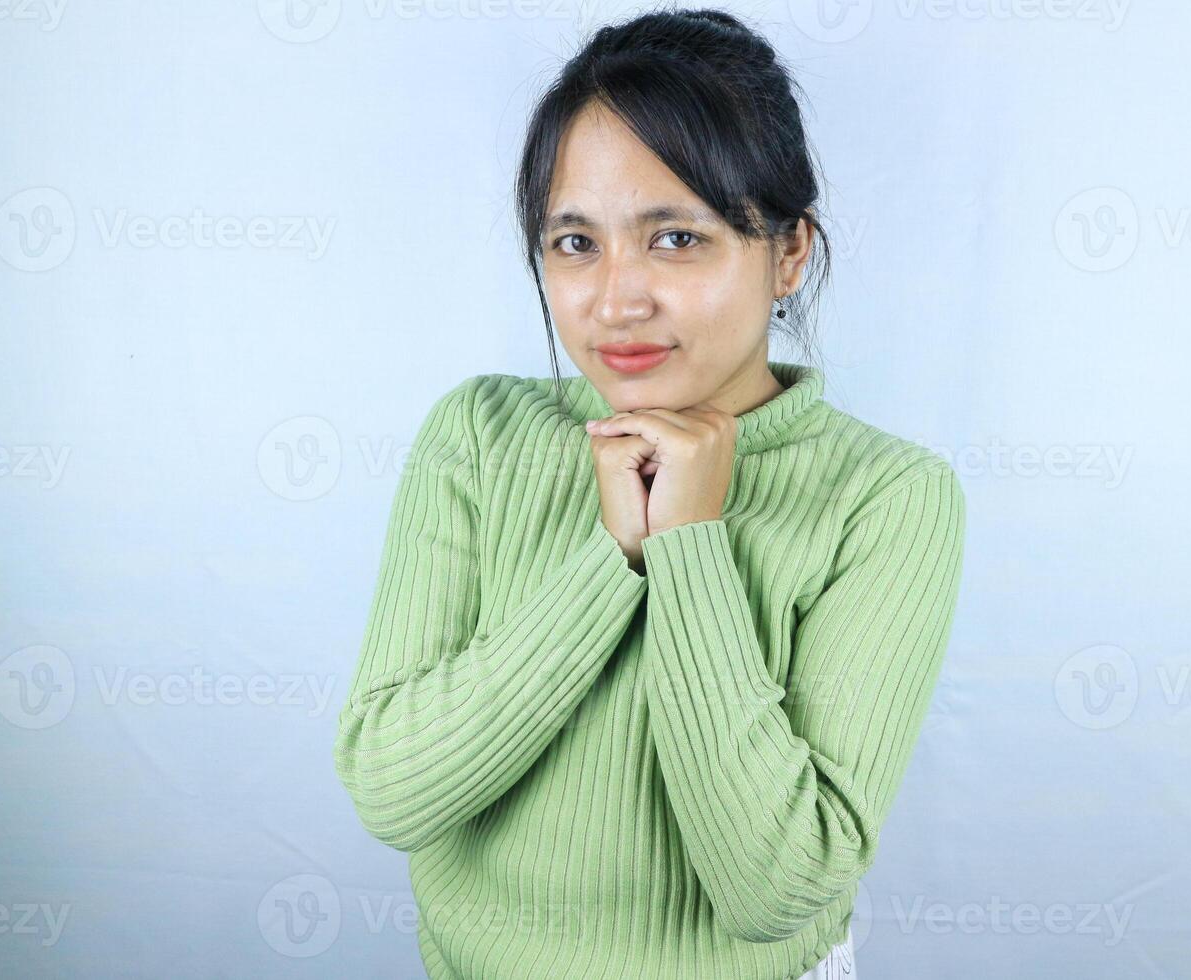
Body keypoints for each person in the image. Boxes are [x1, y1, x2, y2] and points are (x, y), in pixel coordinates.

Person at [333, 9, 965, 978]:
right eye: (574, 242)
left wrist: (689, 545)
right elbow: (392, 790)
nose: (617, 300)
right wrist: (611, 560)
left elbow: (776, 891)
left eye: (675, 237)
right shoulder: (480, 436)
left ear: (788, 251)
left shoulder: (886, 498)